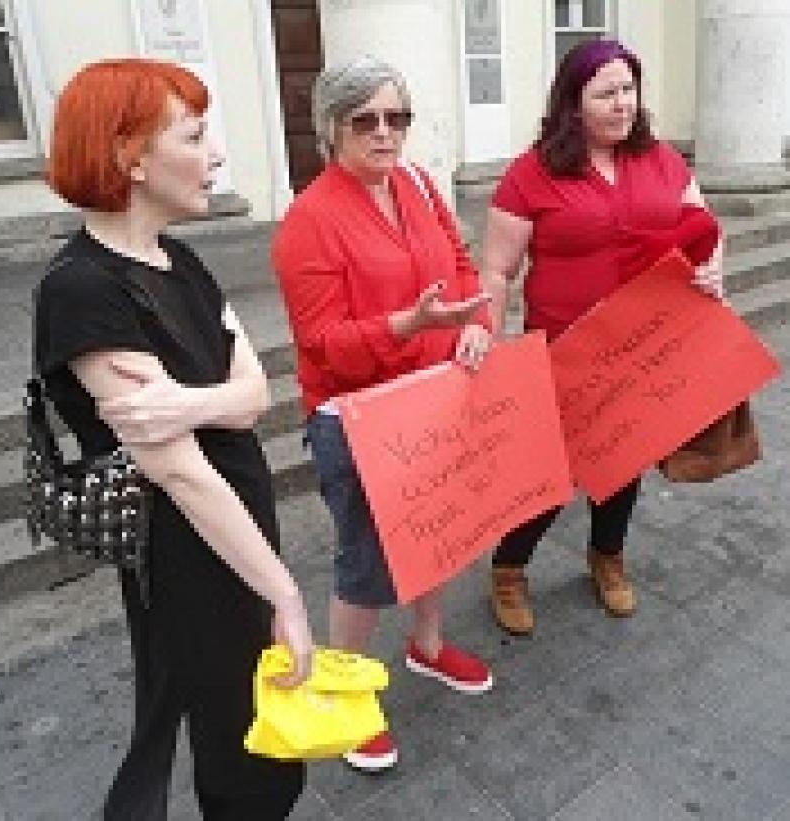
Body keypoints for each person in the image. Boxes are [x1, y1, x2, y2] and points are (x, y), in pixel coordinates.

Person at [34, 59, 312, 819]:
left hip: (238, 519)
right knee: (243, 743)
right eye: (193, 137)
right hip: (189, 548)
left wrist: (192, 402)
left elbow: (255, 395)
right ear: (130, 156)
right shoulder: (83, 289)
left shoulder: (176, 257)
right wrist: (285, 592)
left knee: (255, 721)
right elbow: (180, 473)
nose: (215, 154)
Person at [272, 56, 494, 773]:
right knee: (365, 563)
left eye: (396, 117)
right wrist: (407, 324)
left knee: (436, 534)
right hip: (358, 416)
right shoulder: (308, 221)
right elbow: (322, 344)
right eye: (364, 119)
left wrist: (476, 322)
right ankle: (342, 696)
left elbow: (463, 268)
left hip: (434, 397)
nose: (384, 132)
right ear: (330, 128)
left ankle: (426, 644)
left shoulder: (419, 185)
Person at [482, 39, 722, 636]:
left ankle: (607, 557)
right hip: (563, 352)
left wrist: (711, 270)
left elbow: (703, 227)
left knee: (623, 459)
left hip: (642, 346)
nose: (622, 103)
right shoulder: (531, 173)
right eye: (606, 93)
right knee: (549, 473)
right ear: (573, 103)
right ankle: (509, 570)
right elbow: (497, 270)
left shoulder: (661, 159)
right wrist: (487, 337)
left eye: (628, 89)